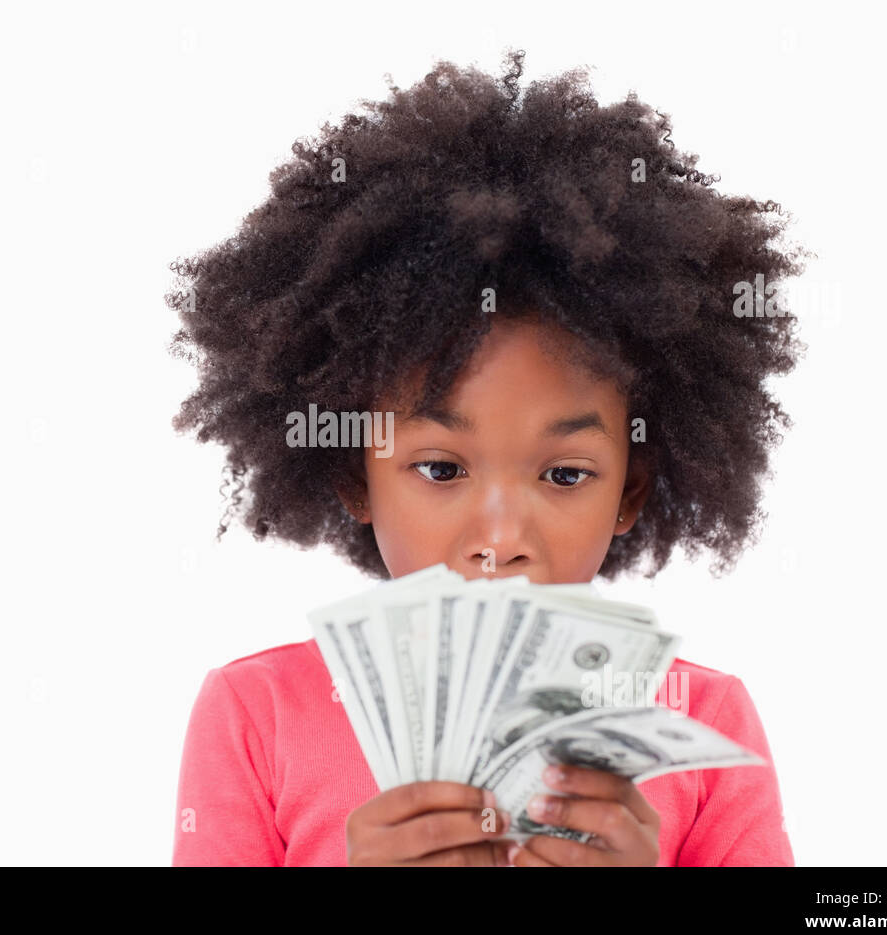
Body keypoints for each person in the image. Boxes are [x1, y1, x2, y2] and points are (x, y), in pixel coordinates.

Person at [166, 50, 805, 866]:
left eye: (565, 474)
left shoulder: (704, 726)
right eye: (440, 468)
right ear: (352, 475)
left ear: (630, 491)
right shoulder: (255, 713)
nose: (499, 538)